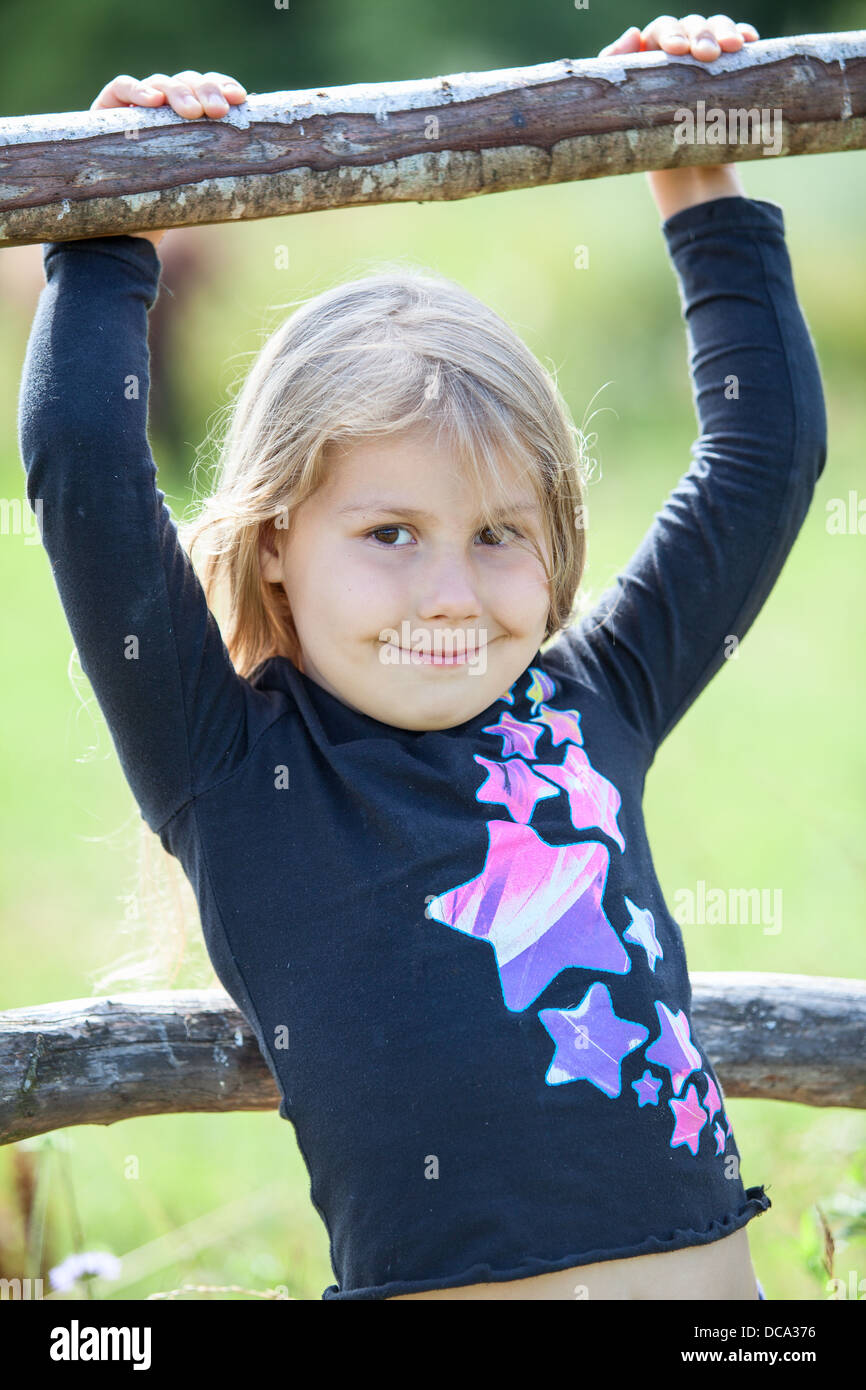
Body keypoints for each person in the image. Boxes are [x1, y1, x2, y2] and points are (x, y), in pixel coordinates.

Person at [17, 15, 825, 1300]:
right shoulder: (228, 761)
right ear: (276, 541)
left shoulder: (593, 700)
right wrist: (113, 213)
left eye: (500, 532)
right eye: (388, 532)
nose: (449, 594)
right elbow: (87, 477)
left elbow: (761, 457)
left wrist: (691, 163)